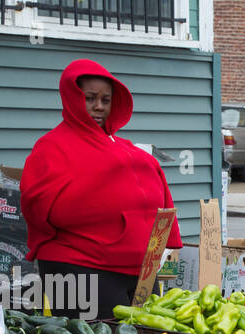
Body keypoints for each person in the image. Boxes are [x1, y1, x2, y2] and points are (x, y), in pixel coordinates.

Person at [22, 59, 182, 318]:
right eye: (90, 98)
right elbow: (38, 206)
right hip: (79, 268)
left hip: (140, 270)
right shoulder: (52, 146)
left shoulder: (125, 148)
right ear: (72, 97)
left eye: (105, 100)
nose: (98, 106)